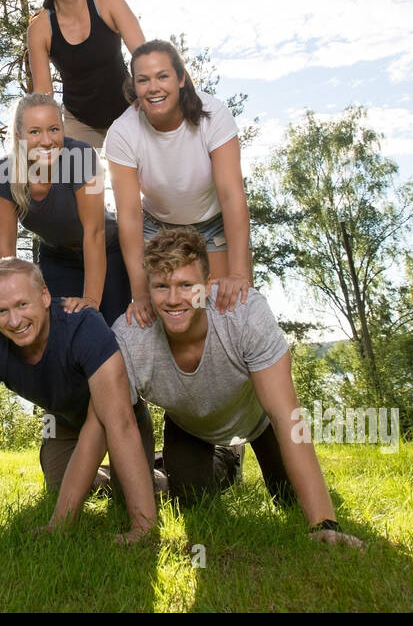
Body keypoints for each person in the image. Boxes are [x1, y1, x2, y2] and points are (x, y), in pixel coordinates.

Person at [59, 228, 364, 548]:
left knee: (287, 498)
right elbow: (100, 423)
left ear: (207, 287)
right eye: (162, 286)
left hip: (258, 422)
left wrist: (324, 523)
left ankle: (235, 450)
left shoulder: (244, 314)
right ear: (148, 290)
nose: (174, 299)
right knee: (191, 500)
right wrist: (61, 524)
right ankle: (213, 459)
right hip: (189, 426)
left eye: (186, 285)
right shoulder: (130, 336)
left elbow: (287, 416)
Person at [0, 258, 158, 542]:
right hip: (64, 423)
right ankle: (102, 474)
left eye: (22, 305)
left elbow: (119, 423)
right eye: (2, 310)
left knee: (129, 496)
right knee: (59, 486)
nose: (14, 321)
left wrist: (143, 527)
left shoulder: (83, 326)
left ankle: (155, 470)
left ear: (44, 296)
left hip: (117, 417)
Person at [106, 38, 252, 327]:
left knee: (225, 310)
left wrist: (238, 273)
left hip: (212, 225)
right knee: (168, 316)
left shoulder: (214, 115)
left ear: (182, 78)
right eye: (143, 80)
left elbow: (231, 195)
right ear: (134, 87)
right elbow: (130, 216)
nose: (154, 87)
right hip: (157, 228)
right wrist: (139, 292)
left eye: (163, 76)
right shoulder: (123, 132)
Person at [0, 93, 130, 324]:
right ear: (18, 136)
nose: (47, 141)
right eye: (35, 132)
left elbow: (94, 233)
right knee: (57, 329)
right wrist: (5, 307)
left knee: (108, 329)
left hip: (107, 250)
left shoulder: (82, 157)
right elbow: (7, 250)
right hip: (57, 258)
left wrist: (92, 302)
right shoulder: (4, 174)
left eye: (54, 129)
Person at [27, 0, 145, 150]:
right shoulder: (39, 28)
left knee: (149, 175)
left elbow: (144, 56)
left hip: (129, 107)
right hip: (80, 120)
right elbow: (44, 94)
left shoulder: (108, 1)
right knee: (79, 179)